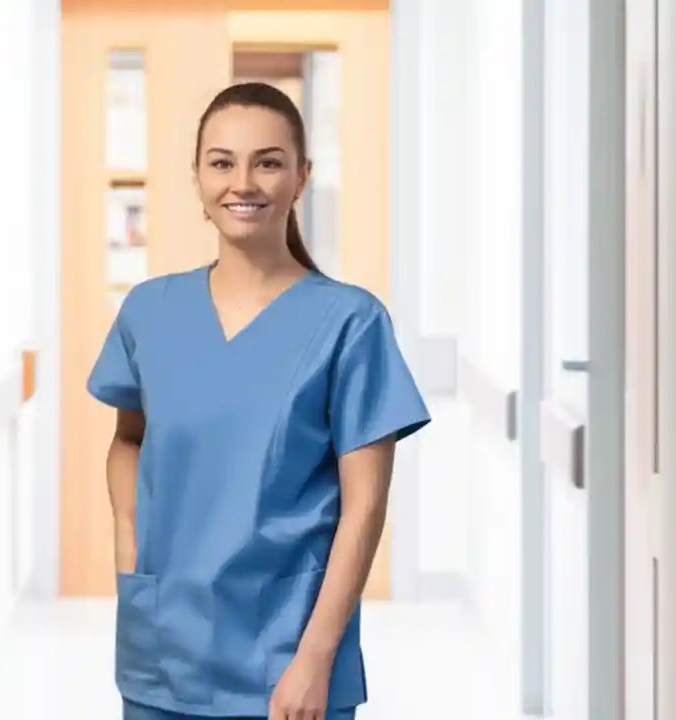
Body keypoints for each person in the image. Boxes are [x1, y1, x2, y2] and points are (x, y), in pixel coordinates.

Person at [87, 82, 431, 720]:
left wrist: (316, 659)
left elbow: (365, 506)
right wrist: (128, 545)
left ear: (301, 177)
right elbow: (128, 438)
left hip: (286, 658)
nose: (242, 182)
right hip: (163, 648)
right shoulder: (149, 312)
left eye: (267, 162)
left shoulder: (350, 322)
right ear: (197, 177)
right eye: (222, 162)